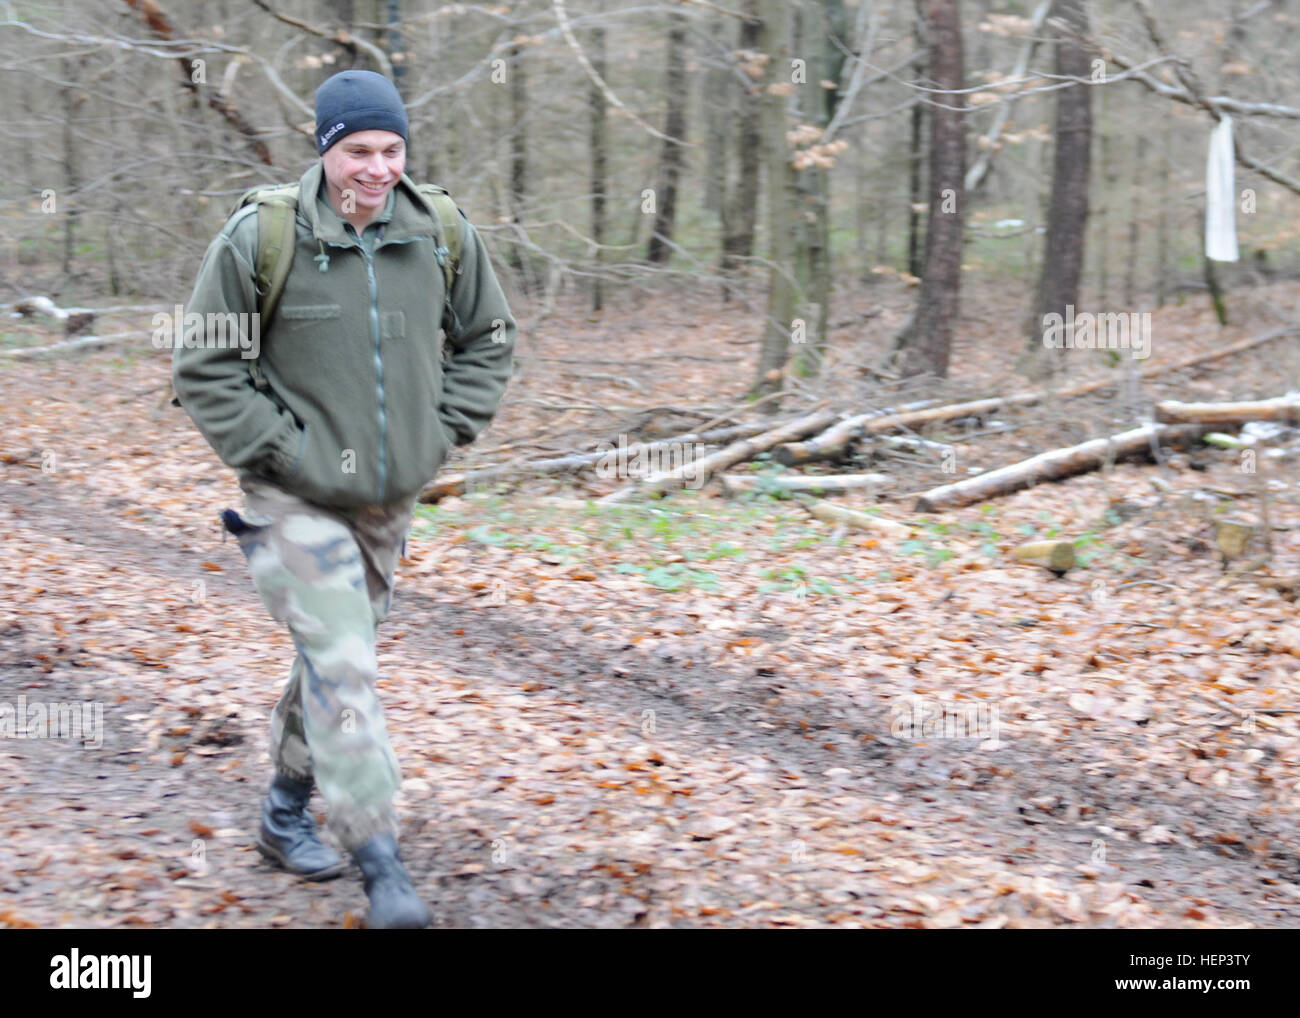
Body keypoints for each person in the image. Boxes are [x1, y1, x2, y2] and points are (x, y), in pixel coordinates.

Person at [172, 69, 516, 928]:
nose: (377, 167)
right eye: (358, 150)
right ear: (326, 150)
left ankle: (284, 812)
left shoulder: (439, 229)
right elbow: (205, 366)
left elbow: (489, 341)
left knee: (333, 662)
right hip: (290, 498)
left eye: (391, 149)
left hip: (389, 498)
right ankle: (382, 866)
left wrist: (438, 437)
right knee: (344, 667)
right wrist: (284, 451)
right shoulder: (264, 236)